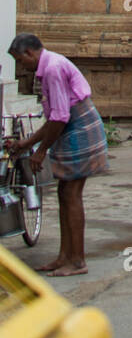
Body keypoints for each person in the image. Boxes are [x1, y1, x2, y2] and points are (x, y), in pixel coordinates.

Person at [3, 34, 109, 277]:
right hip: (69, 126)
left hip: (79, 128)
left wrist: (39, 152)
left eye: (21, 61)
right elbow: (54, 118)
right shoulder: (50, 65)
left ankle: (78, 261)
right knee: (65, 193)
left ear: (30, 53)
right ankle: (65, 256)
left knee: (71, 194)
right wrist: (27, 143)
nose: (22, 67)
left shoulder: (52, 69)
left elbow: (60, 117)